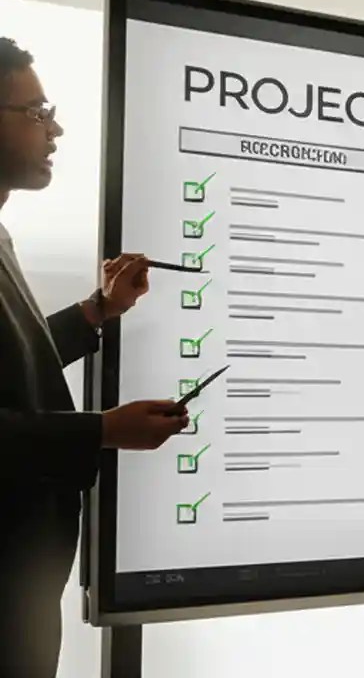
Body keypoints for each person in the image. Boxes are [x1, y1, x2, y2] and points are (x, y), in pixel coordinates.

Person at [0, 37, 189, 677]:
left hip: (23, 589)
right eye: (35, 113)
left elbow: (11, 367)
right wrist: (104, 430)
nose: (54, 129)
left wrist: (97, 311)